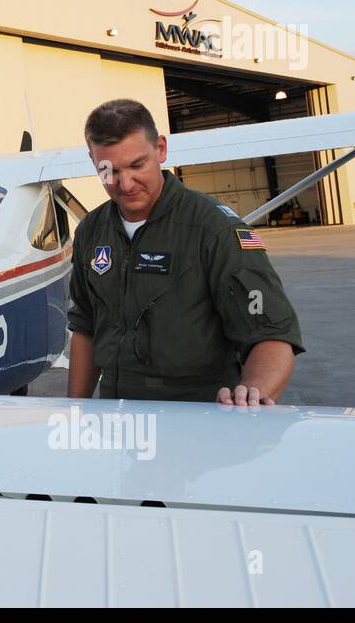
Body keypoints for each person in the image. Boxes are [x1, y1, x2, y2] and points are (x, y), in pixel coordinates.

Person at [66, 99, 304, 404]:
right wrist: (76, 411)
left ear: (161, 149)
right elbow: (85, 328)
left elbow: (272, 333)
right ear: (93, 161)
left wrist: (252, 394)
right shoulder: (91, 230)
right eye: (108, 170)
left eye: (137, 165)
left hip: (198, 418)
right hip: (119, 421)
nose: (125, 184)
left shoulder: (214, 229)